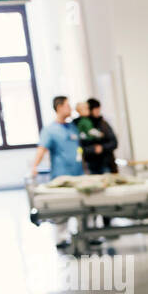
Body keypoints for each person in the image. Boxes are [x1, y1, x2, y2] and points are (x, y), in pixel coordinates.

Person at [29, 96, 83, 248]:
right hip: (61, 175)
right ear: (59, 107)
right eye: (67, 105)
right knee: (62, 208)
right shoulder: (50, 130)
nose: (70, 108)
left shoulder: (73, 127)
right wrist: (34, 166)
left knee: (82, 206)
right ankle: (61, 238)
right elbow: (42, 149)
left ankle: (83, 232)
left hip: (79, 173)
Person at [83, 98, 118, 175]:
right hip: (91, 166)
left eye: (98, 109)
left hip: (106, 164)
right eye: (95, 109)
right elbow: (80, 146)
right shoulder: (83, 125)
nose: (98, 111)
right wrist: (92, 149)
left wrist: (102, 147)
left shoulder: (103, 124)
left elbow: (114, 142)